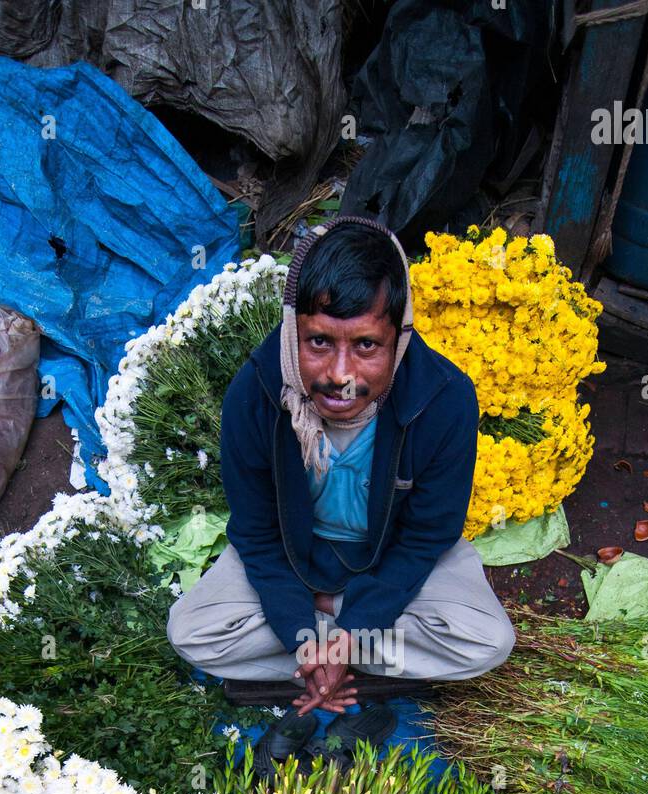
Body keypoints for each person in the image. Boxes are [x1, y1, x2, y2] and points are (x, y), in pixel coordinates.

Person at [167, 214, 514, 719]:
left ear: (400, 335)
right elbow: (259, 537)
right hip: (292, 564)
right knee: (192, 633)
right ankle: (335, 658)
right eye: (320, 342)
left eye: (366, 346)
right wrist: (299, 628)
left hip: (391, 565)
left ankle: (321, 655)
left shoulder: (445, 398)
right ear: (294, 332)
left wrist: (348, 631)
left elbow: (425, 540)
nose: (341, 376)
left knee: (487, 642)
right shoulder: (256, 394)